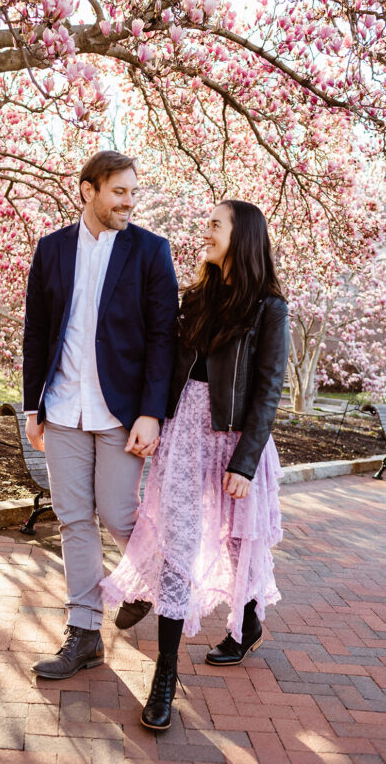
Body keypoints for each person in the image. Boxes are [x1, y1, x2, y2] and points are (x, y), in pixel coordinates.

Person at [101, 199, 290, 729]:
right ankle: (164, 678)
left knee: (236, 543)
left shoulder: (269, 309)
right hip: (185, 434)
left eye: (215, 224)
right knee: (179, 546)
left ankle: (247, 624)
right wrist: (154, 418)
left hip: (234, 441)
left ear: (242, 236)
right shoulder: (198, 298)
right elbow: (170, 363)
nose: (204, 231)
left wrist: (246, 463)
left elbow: (269, 390)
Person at [22, 150, 178, 680]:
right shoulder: (51, 250)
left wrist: (152, 413)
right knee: (72, 519)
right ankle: (85, 633)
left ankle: (151, 579)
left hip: (121, 412)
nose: (129, 202)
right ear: (88, 190)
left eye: (133, 191)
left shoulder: (151, 252)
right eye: (119, 192)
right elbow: (37, 334)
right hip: (63, 406)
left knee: (116, 512)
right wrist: (32, 407)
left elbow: (164, 340)